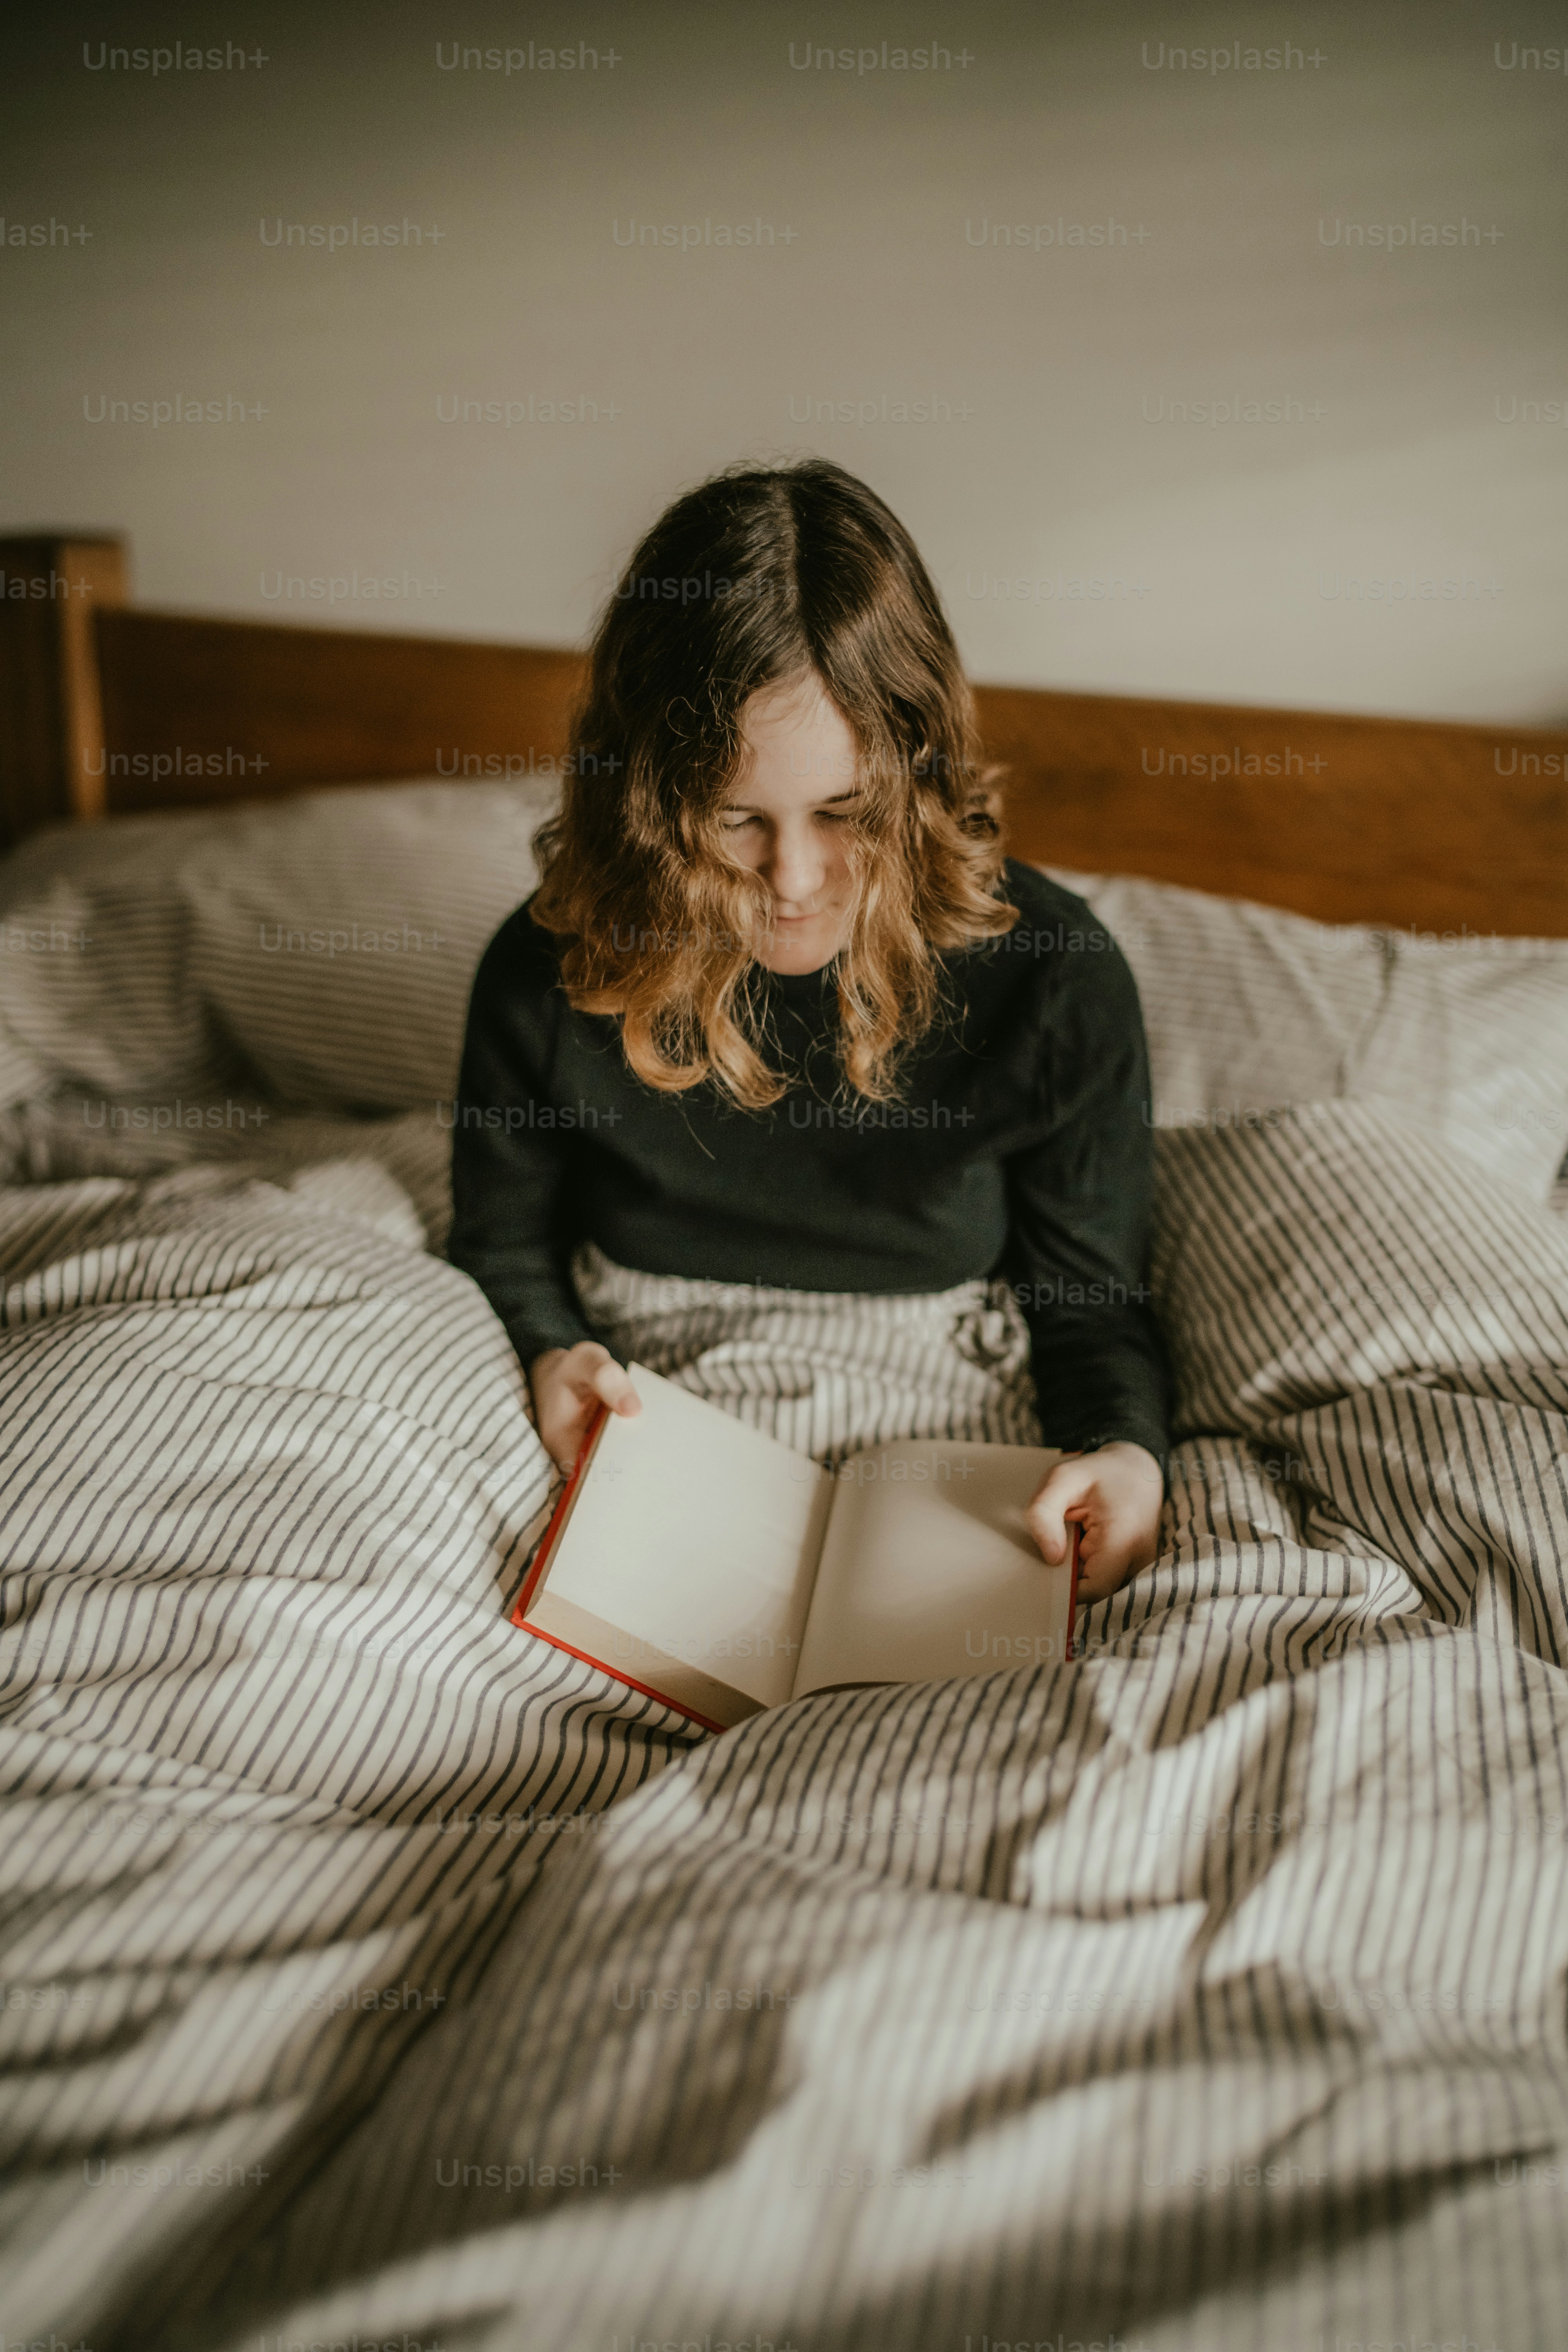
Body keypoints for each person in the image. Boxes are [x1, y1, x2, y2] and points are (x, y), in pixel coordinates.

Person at [447, 459, 1169, 1602]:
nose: (792, 881)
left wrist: (1125, 1453)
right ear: (649, 801)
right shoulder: (545, 971)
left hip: (945, 1466)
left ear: (915, 777)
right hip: (646, 1435)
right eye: (734, 820)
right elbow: (501, 1246)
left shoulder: (1057, 978)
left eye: (845, 816)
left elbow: (1089, 1302)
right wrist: (549, 1350)